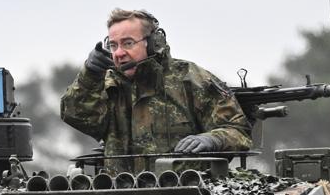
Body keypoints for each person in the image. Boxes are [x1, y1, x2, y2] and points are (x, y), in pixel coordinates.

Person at [60, 9, 251, 171]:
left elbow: (238, 131)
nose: (118, 53)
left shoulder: (190, 79)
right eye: (113, 45)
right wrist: (90, 74)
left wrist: (212, 140)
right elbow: (75, 115)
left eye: (128, 43)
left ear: (154, 43)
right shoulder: (108, 86)